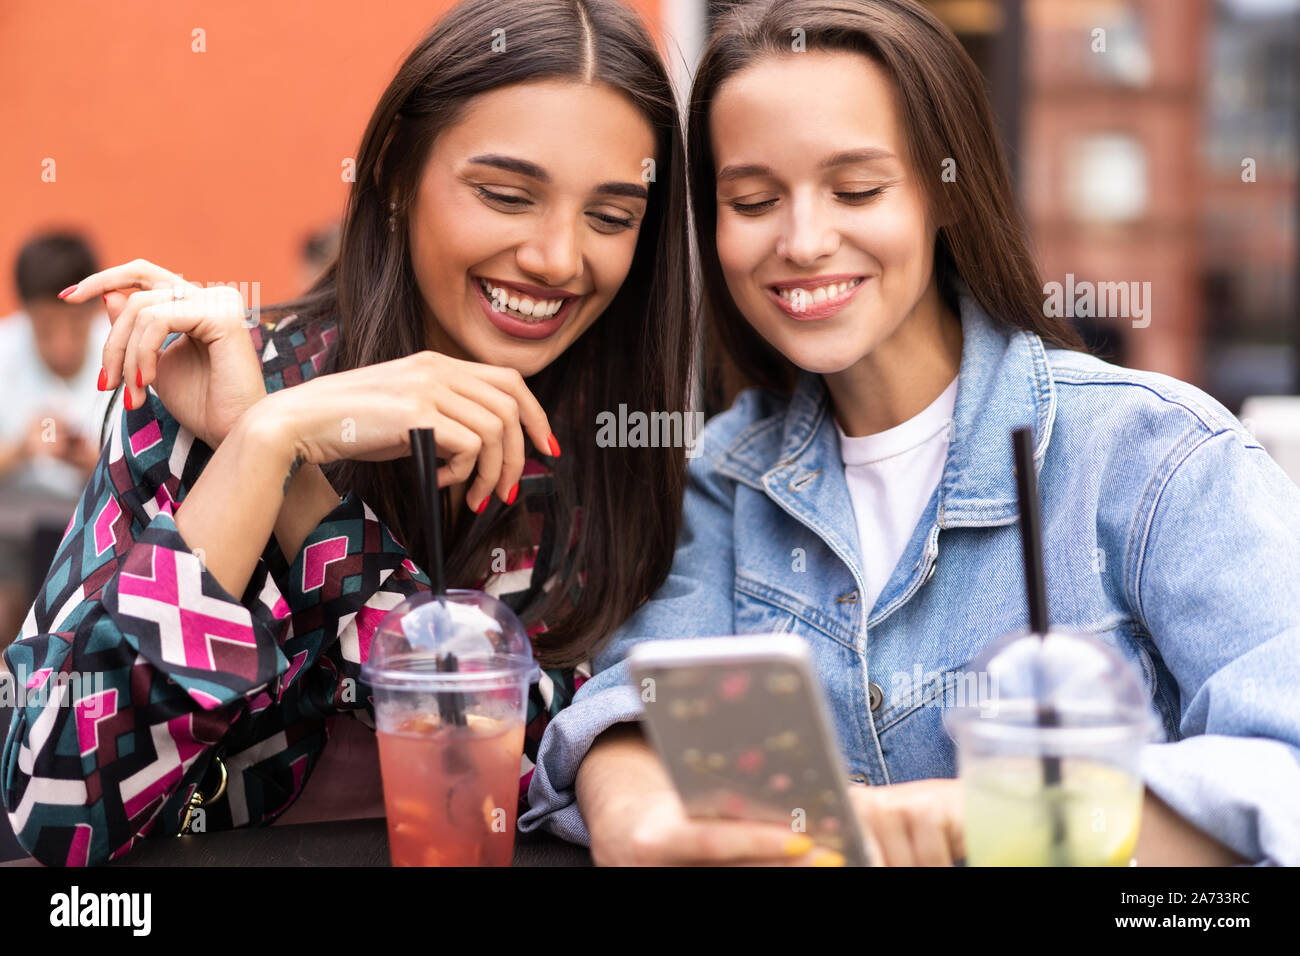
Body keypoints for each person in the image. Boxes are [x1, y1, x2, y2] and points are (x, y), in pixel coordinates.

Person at [520, 0, 1300, 866]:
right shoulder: (727, 481)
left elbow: (1284, 767)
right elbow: (646, 701)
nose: (804, 241)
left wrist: (1008, 819)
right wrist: (636, 816)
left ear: (944, 194)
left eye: (857, 189)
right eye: (752, 200)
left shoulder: (1156, 456)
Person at [1, 0, 692, 865]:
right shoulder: (211, 382)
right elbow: (60, 800)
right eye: (507, 195)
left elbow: (532, 758)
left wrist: (300, 495)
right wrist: (263, 439)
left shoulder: (623, 446)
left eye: (611, 216)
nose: (557, 257)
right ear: (397, 170)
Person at [0, 233, 112, 651]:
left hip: (93, 530)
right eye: (46, 327)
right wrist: (21, 449)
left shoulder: (122, 345)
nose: (62, 342)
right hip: (10, 535)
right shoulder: (3, 349)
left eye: (75, 324)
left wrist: (95, 461)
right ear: (27, 313)